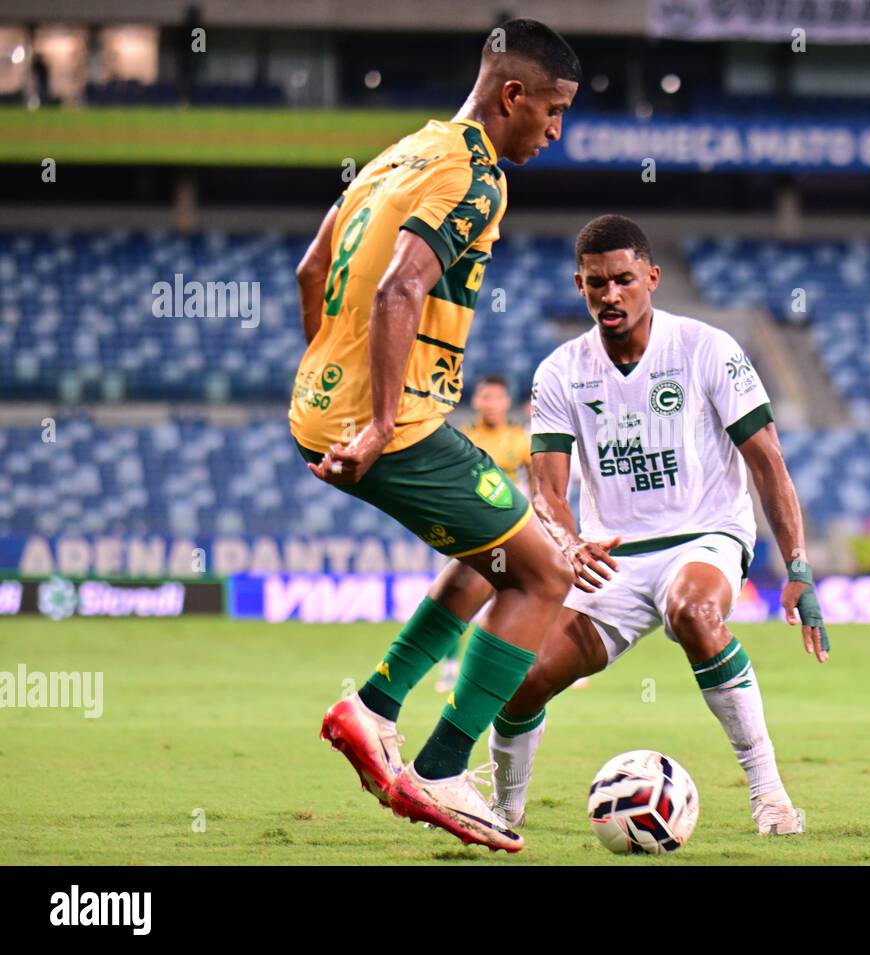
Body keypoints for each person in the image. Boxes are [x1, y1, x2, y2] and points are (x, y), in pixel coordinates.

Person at [289, 18, 581, 853]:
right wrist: (377, 423)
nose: (555, 132)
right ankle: (445, 766)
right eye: (552, 111)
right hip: (397, 422)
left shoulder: (399, 152)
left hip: (321, 409)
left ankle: (372, 708)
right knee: (544, 573)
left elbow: (313, 268)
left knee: (491, 553)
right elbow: (397, 290)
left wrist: (331, 388)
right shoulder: (475, 176)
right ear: (512, 95)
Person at [489, 214, 831, 835]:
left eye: (623, 280)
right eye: (596, 284)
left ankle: (771, 796)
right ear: (579, 285)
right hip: (610, 553)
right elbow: (547, 488)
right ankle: (501, 812)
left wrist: (799, 565)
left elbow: (768, 463)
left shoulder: (709, 349)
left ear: (652, 277)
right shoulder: (560, 371)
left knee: (694, 613)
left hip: (704, 534)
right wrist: (569, 543)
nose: (610, 295)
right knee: (520, 680)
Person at [435, 375, 533, 692]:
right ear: (476, 402)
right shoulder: (464, 439)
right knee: (456, 597)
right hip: (470, 529)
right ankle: (450, 667)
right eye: (485, 398)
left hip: (510, 533)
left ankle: (526, 664)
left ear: (506, 402)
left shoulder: (520, 440)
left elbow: (537, 485)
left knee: (521, 598)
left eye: (497, 397)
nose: (491, 404)